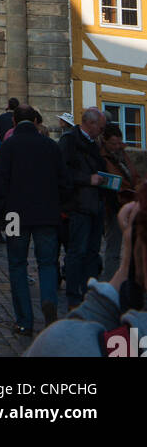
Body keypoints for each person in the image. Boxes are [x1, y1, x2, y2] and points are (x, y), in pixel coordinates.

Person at [25, 193, 146, 358]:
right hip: (83, 209)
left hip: (61, 210)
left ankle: (69, 297)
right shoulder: (130, 343)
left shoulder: (69, 344)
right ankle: (64, 295)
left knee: (56, 258)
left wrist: (127, 266)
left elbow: (67, 343)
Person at [0, 105, 70, 336]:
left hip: (14, 215)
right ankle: (48, 300)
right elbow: (65, 183)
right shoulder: (51, 147)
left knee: (17, 264)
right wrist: (59, 206)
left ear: (13, 122)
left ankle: (24, 320)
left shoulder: (9, 147)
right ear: (36, 121)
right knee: (46, 263)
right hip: (46, 213)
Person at [58, 106, 104, 308]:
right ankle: (74, 296)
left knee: (93, 252)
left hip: (95, 205)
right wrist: (88, 179)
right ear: (91, 123)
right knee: (77, 251)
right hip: (79, 205)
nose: (102, 130)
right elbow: (62, 172)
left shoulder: (95, 143)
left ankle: (89, 295)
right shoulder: (69, 141)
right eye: (100, 127)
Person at [99, 123, 137, 276]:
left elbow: (133, 174)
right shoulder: (102, 156)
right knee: (113, 248)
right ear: (105, 141)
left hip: (129, 203)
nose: (116, 146)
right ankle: (109, 284)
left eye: (118, 143)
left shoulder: (122, 154)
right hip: (114, 205)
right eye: (113, 143)